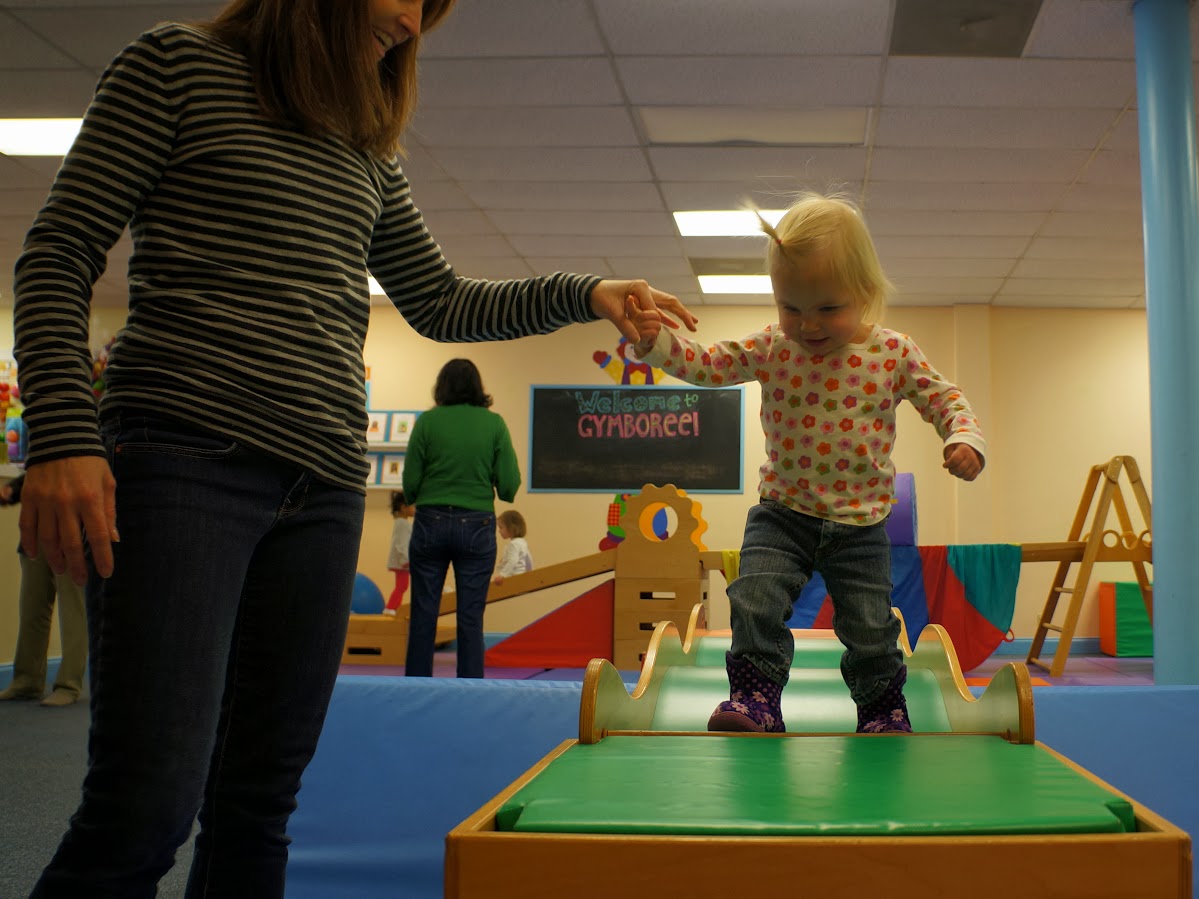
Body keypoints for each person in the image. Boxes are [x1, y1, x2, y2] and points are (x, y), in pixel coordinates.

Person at [9, 0, 694, 894]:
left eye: (430, 6)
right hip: (182, 460)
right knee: (143, 804)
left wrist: (587, 290)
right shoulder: (175, 64)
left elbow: (441, 300)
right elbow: (57, 251)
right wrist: (62, 432)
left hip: (323, 490)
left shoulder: (369, 143)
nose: (411, 21)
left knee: (259, 803)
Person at [627, 193, 987, 734]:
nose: (808, 325)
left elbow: (944, 398)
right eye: (791, 308)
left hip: (862, 523)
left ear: (864, 295)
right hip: (783, 513)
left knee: (869, 626)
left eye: (827, 308)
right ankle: (755, 699)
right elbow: (710, 365)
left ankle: (882, 709)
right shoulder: (773, 346)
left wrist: (964, 435)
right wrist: (659, 346)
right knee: (753, 599)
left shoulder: (893, 352)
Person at [402, 359, 520, 679]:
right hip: (477, 526)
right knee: (471, 618)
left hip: (430, 522)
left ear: (441, 387)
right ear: (477, 387)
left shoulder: (428, 422)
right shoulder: (494, 424)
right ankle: (470, 691)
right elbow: (509, 483)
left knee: (423, 614)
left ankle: (415, 689)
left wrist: (419, 495)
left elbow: (410, 483)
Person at [0, 475, 88, 707]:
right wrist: (13, 489)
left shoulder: (92, 439)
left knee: (72, 613)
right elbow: (40, 469)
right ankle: (26, 682)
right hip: (37, 530)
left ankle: (68, 685)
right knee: (32, 609)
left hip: (73, 531)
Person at [382, 491, 414, 615]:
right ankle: (390, 607)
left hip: (402, 560)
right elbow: (400, 544)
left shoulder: (402, 523)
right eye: (413, 506)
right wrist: (405, 560)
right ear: (403, 507)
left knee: (402, 585)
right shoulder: (402, 524)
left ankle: (393, 607)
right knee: (402, 586)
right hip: (402, 561)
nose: (415, 509)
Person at [492, 509, 533, 586]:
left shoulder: (513, 544)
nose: (499, 531)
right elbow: (528, 559)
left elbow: (512, 560)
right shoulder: (522, 542)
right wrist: (530, 573)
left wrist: (502, 575)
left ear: (511, 527)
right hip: (520, 576)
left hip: (512, 577)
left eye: (501, 527)